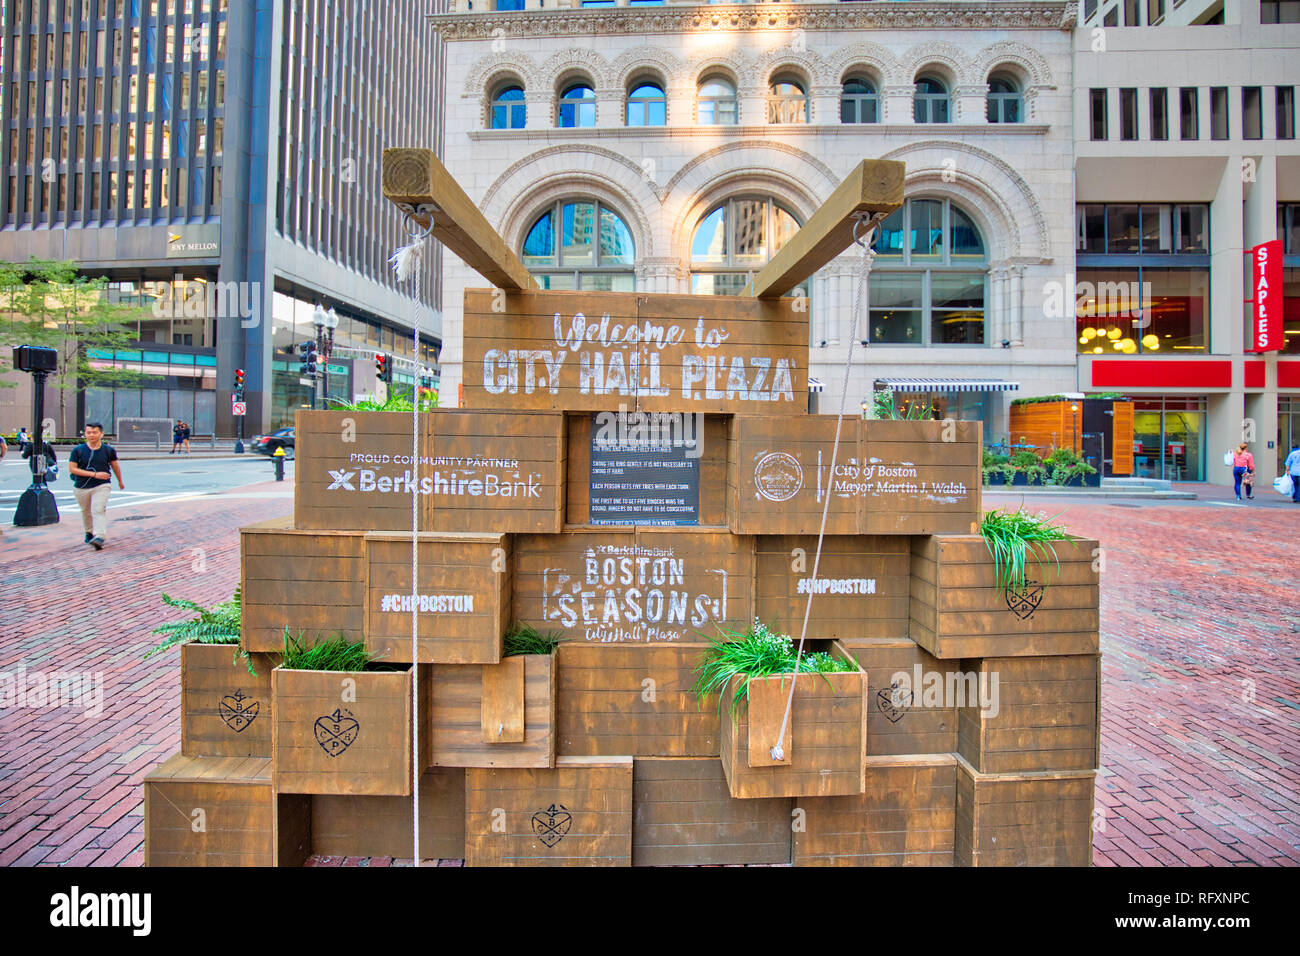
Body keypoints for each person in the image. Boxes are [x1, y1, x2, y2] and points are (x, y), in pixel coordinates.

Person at [67, 422, 124, 550]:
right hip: (81, 486)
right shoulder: (78, 450)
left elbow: (115, 466)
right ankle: (89, 532)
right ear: (85, 434)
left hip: (102, 485)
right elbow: (73, 469)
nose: (91, 435)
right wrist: (95, 474)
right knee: (86, 511)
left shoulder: (108, 450)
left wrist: (120, 481)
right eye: (89, 433)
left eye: (95, 432)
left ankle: (99, 536)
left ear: (101, 434)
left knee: (98, 509)